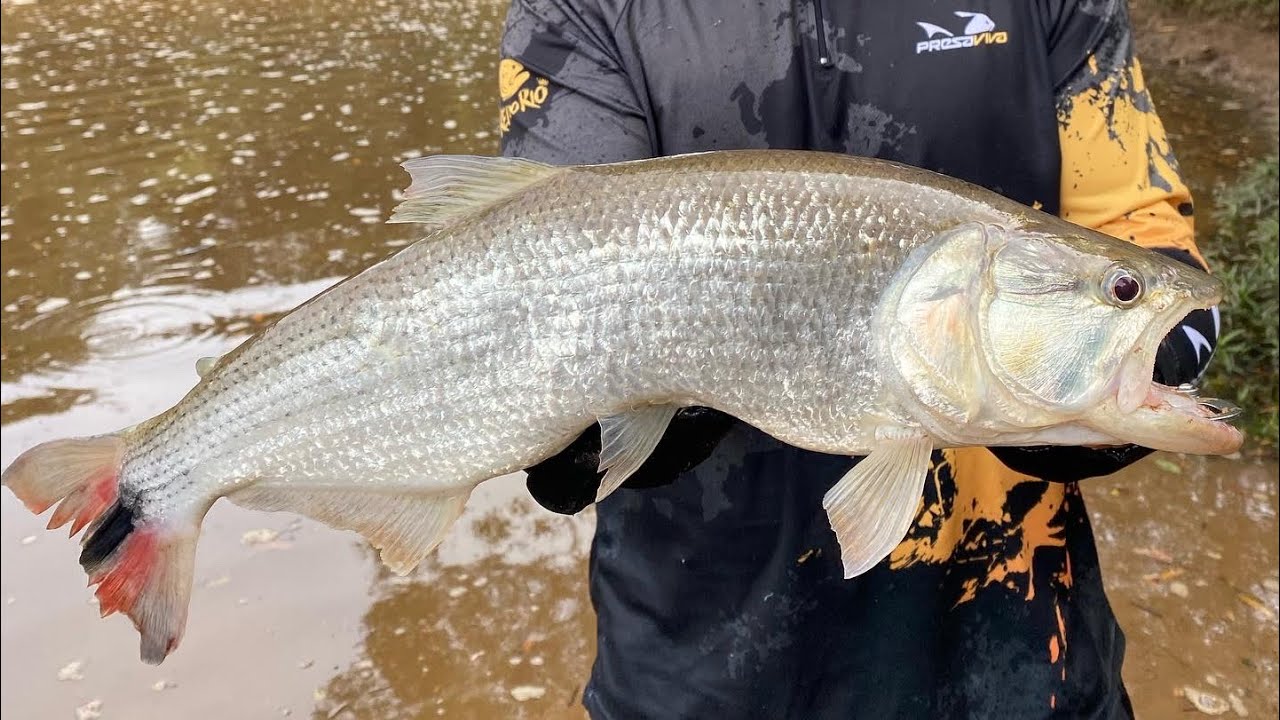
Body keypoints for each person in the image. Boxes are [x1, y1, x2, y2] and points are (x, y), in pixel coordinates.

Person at [496, 1, 1219, 717]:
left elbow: (1164, 262)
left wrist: (1107, 386)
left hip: (1024, 647)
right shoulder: (583, 11)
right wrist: (579, 419)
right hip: (692, 665)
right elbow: (541, 236)